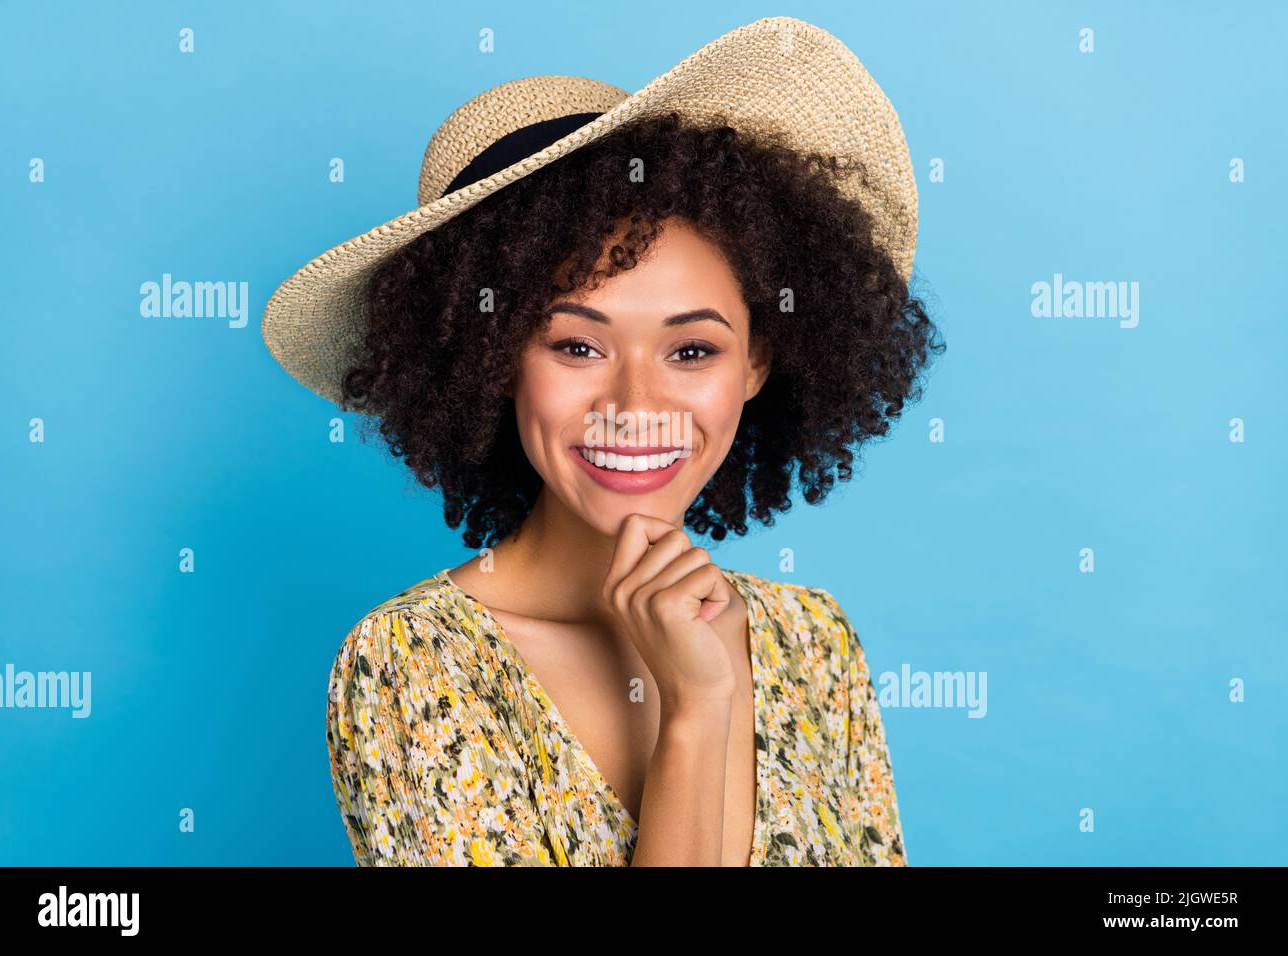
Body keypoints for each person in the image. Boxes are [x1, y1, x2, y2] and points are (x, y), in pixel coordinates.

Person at [262, 17, 942, 865]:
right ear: (493, 360)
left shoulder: (815, 642)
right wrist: (697, 710)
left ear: (757, 362)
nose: (636, 404)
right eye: (578, 347)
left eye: (691, 351)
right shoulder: (414, 664)